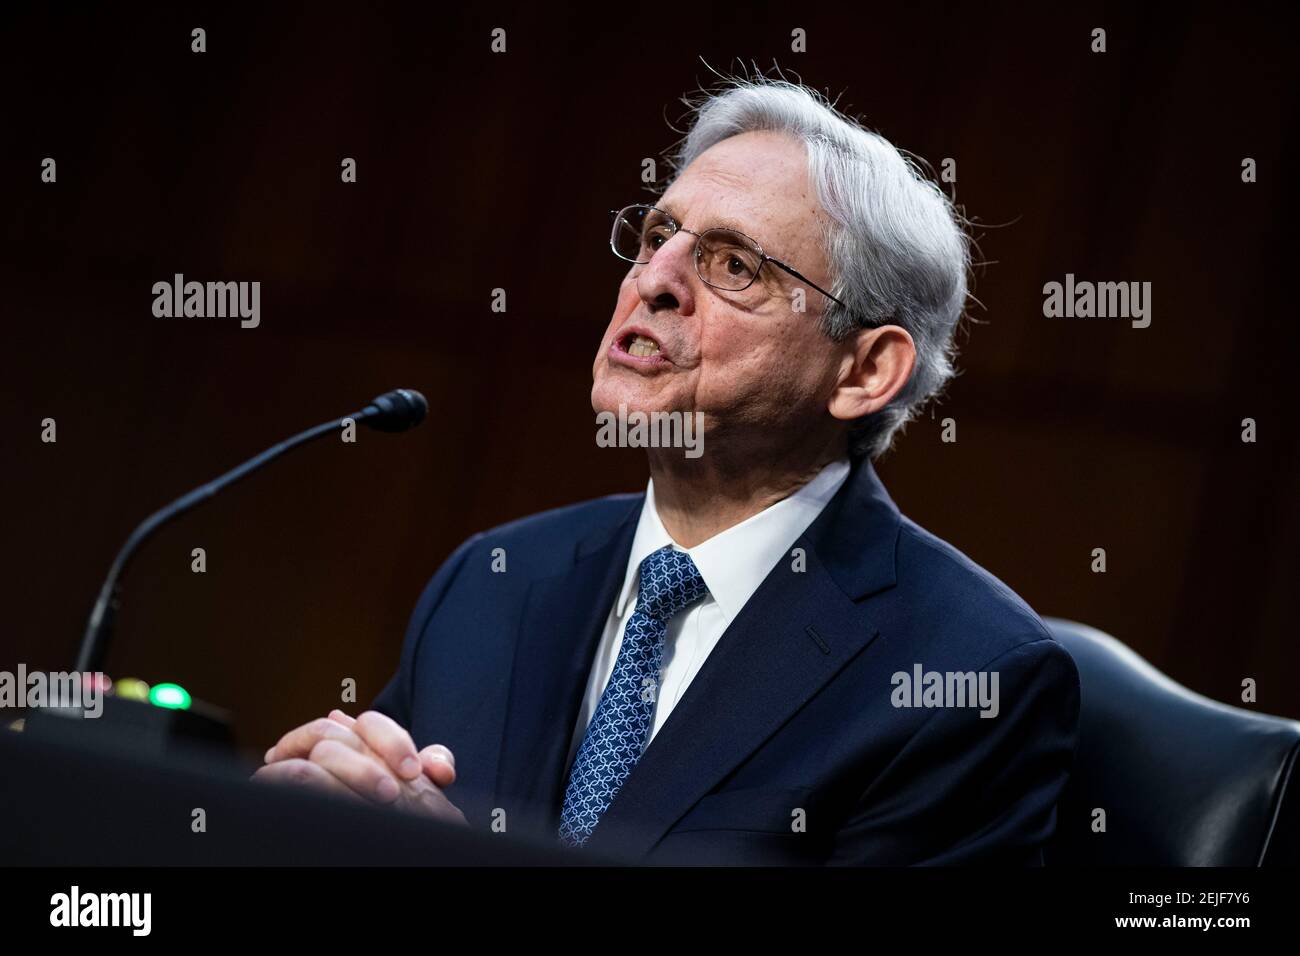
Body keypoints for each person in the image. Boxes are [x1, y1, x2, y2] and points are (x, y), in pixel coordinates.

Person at [255, 76, 1080, 865]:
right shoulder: (492, 582)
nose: (652, 282)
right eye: (656, 238)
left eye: (733, 266)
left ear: (863, 371)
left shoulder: (968, 677)